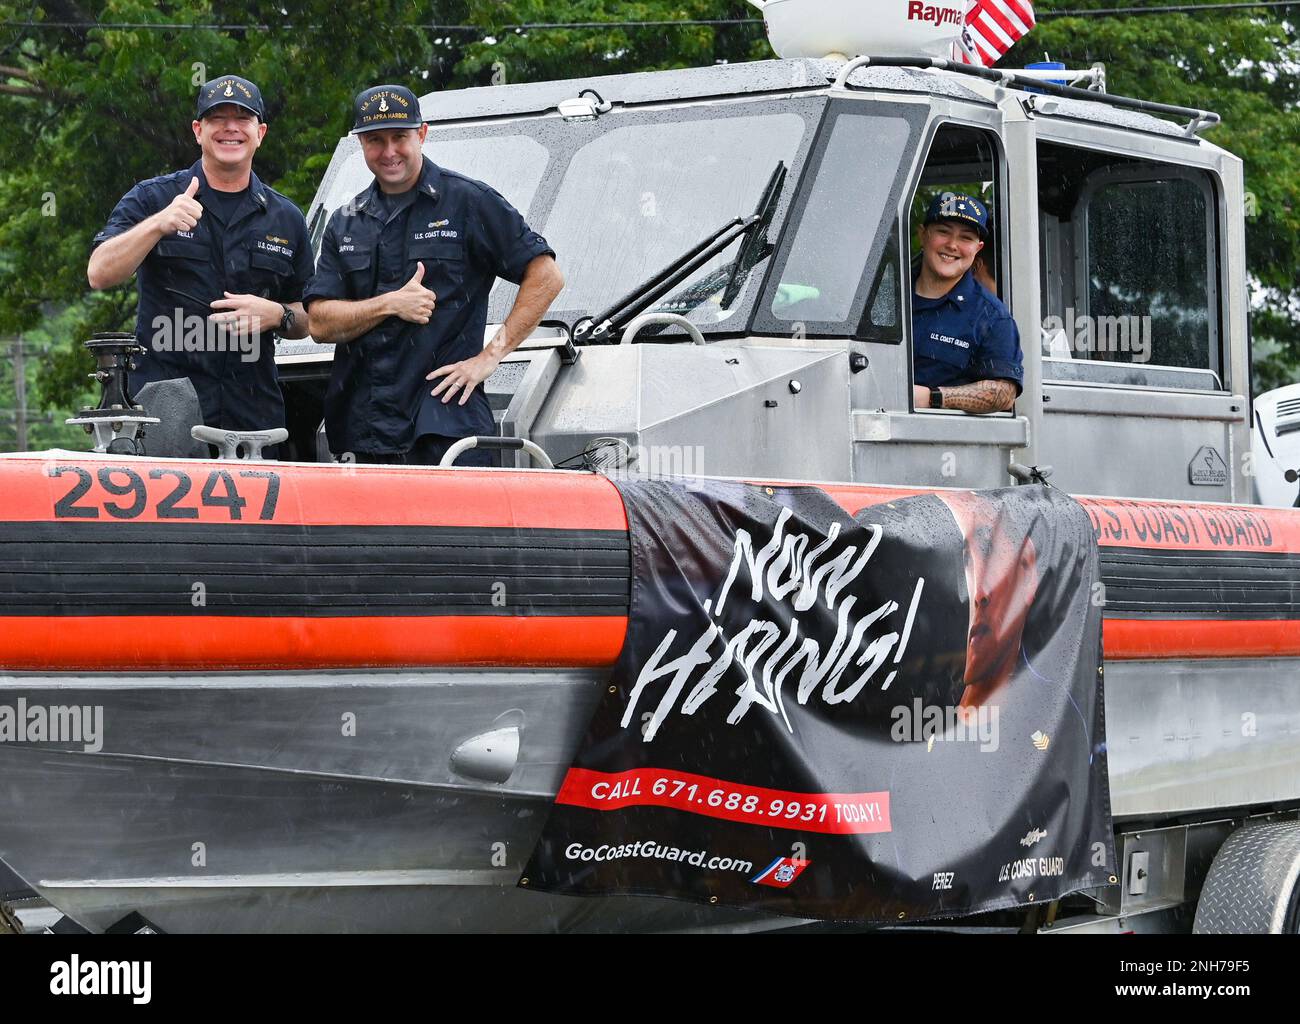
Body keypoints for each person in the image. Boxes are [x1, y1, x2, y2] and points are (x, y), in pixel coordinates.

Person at [305, 85, 564, 465]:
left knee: (459, 527)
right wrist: (390, 304)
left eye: (400, 137)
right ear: (361, 143)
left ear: (422, 135)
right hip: (367, 430)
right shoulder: (346, 222)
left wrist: (491, 357)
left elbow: (546, 276)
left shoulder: (468, 201)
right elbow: (320, 324)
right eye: (376, 140)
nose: (389, 151)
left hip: (446, 426)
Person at [87, 74, 313, 436]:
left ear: (261, 132)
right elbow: (99, 272)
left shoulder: (286, 218)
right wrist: (159, 223)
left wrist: (278, 314)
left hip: (252, 413)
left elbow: (309, 319)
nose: (230, 129)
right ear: (197, 130)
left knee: (256, 496)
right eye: (217, 119)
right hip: (166, 411)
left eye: (242, 118)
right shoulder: (153, 199)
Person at [910, 193, 1023, 414]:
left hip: (938, 443)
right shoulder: (883, 293)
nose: (952, 245)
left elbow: (1004, 394)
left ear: (977, 248)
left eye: (966, 237)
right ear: (923, 235)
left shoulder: (992, 317)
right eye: (943, 232)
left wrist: (932, 398)